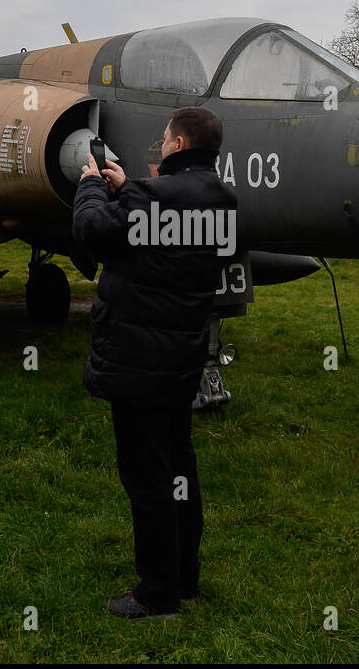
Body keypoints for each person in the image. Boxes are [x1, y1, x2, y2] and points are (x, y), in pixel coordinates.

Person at [72, 106, 238, 619]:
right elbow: (156, 235)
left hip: (137, 358)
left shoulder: (152, 196)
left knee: (147, 480)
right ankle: (184, 577)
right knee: (179, 469)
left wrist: (94, 186)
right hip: (180, 355)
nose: (160, 144)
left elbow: (93, 233)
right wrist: (131, 188)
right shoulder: (222, 198)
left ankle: (157, 594)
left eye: (165, 138)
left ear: (180, 144)